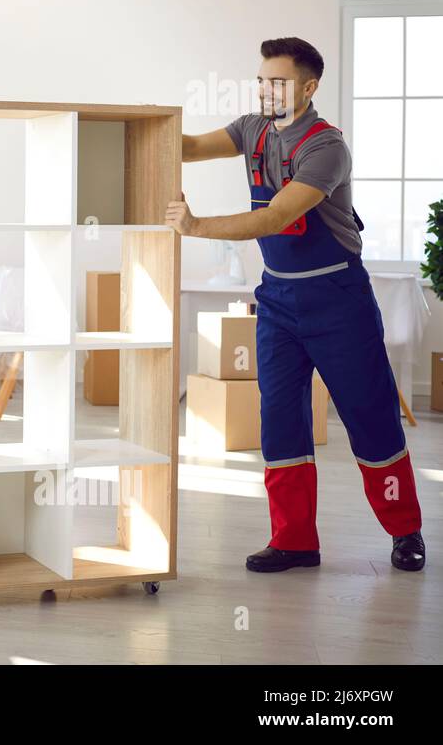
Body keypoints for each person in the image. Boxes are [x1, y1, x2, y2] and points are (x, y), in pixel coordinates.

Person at [167, 36, 424, 573]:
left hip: (338, 300)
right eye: (262, 80)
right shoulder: (251, 129)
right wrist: (135, 123)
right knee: (280, 419)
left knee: (369, 416)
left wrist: (194, 226)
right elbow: (186, 146)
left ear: (309, 88)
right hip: (278, 300)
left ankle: (405, 531)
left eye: (278, 82)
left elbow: (275, 217)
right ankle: (294, 540)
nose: (266, 90)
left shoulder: (326, 147)